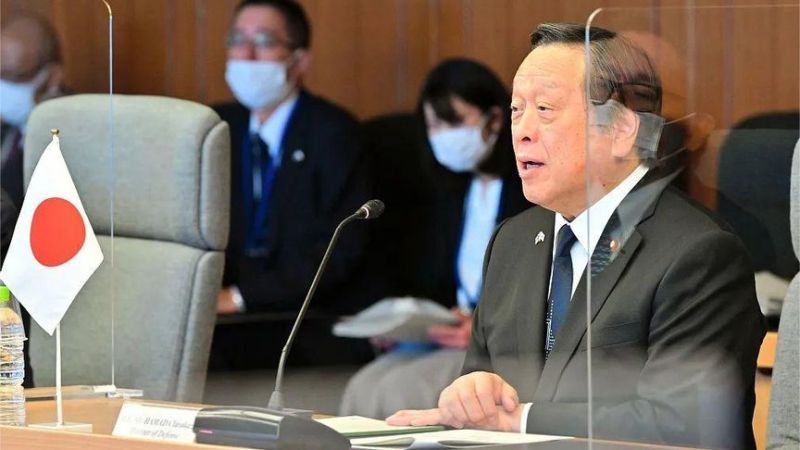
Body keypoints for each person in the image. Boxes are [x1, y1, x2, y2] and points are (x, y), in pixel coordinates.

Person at [387, 23, 765, 450]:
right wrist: (468, 398)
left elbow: (685, 425)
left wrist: (519, 419)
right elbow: (483, 396)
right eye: (516, 110)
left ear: (621, 129)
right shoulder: (512, 241)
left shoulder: (698, 253)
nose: (521, 131)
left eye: (544, 108)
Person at [339, 59, 530, 419]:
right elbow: (432, 281)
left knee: (400, 390)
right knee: (364, 384)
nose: (442, 136)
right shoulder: (448, 194)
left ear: (495, 119)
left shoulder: (529, 192)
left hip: (497, 345)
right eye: (433, 126)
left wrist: (481, 328)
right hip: (447, 338)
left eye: (453, 123)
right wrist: (403, 325)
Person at [214, 0, 369, 313]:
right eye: (238, 40)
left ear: (299, 62)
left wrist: (241, 297)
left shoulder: (334, 134)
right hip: (216, 310)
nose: (247, 54)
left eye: (264, 42)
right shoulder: (215, 127)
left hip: (305, 314)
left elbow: (338, 252)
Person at [0, 12, 67, 209]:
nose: (3, 86)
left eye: (15, 77)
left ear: (52, 76)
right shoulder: (6, 125)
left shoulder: (75, 131)